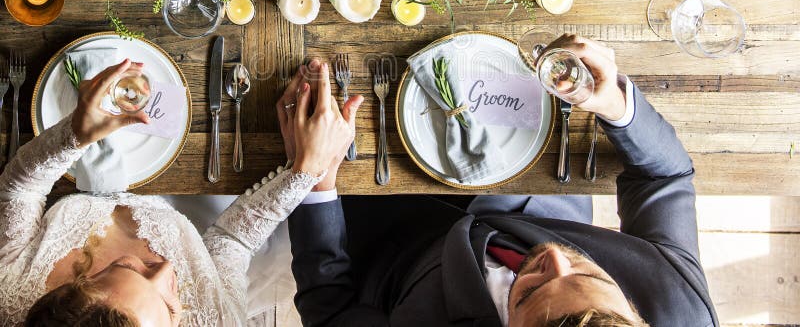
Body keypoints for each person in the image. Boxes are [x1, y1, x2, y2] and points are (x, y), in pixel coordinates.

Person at [287, 35, 719, 327]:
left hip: (389, 230)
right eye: (594, 275)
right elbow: (664, 175)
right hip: (531, 181)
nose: (553, 255)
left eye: (530, 292)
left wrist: (314, 180)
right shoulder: (680, 308)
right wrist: (616, 107)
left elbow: (329, 310)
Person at [0, 58, 361, 326]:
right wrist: (305, 171)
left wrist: (74, 135)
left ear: (69, 289)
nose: (169, 267)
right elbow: (231, 241)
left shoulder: (10, 288)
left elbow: (18, 190)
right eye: (171, 308)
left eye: (126, 266)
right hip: (202, 211)